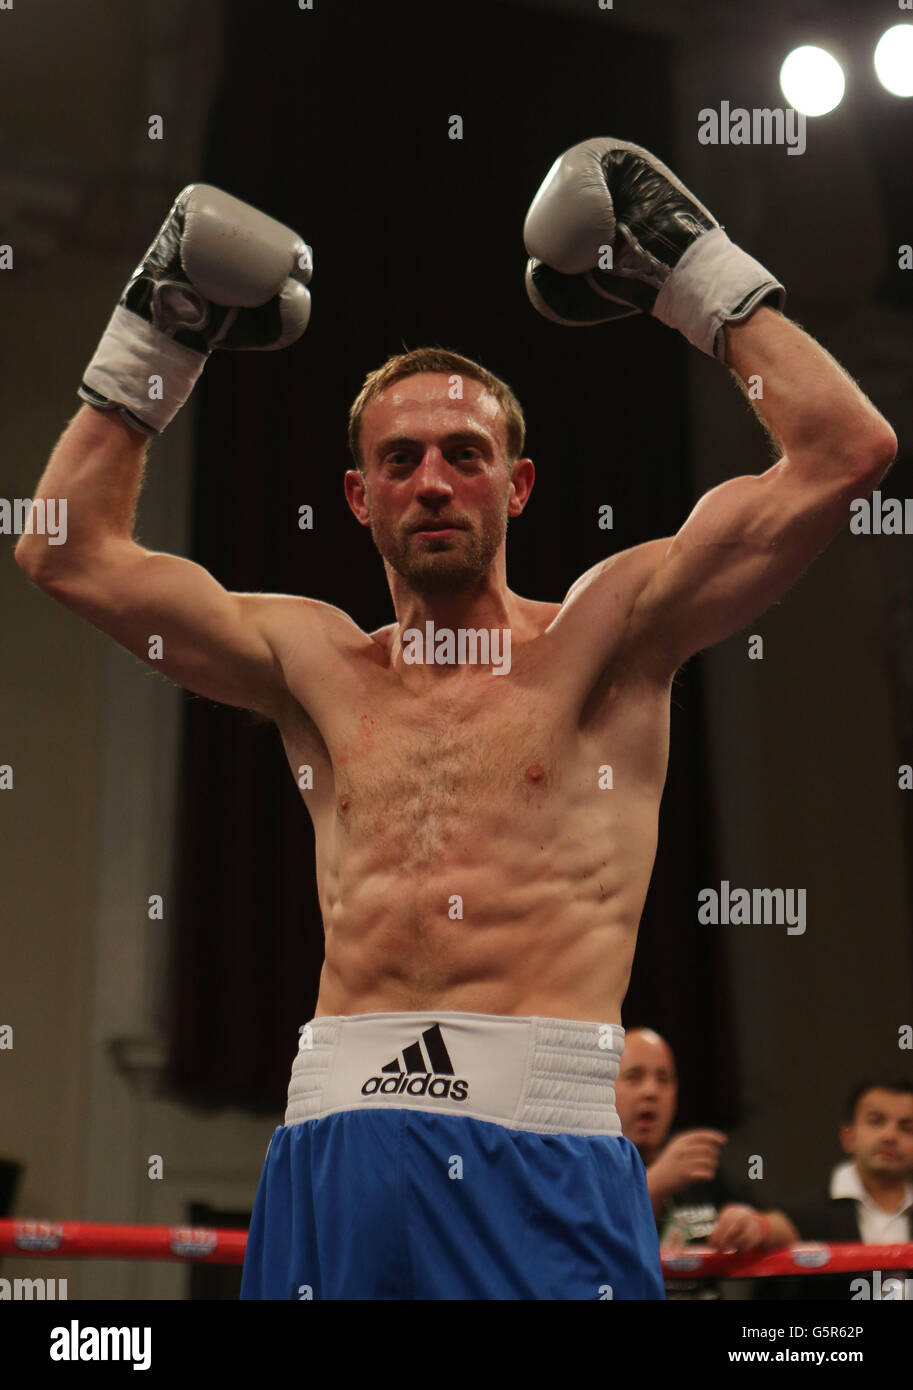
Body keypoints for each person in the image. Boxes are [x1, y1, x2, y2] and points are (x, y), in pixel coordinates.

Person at [15, 141, 897, 1300]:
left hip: (545, 1154)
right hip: (339, 1143)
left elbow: (846, 450)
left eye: (464, 454)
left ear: (516, 486)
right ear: (360, 497)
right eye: (400, 459)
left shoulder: (611, 636)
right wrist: (161, 324)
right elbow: (61, 549)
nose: (433, 479)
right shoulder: (310, 662)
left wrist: (690, 266)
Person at [615, 1027, 797, 1298]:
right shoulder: (586, 1163)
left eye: (663, 1079)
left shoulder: (693, 1161)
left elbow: (789, 1229)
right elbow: (583, 1243)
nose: (651, 1091)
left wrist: (756, 1225)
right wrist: (656, 1182)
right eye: (634, 1077)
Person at [769, 1079, 913, 1300]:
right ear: (849, 1137)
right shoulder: (803, 1214)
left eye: (907, 1128)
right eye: (876, 1121)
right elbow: (764, 1229)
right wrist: (747, 1224)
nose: (890, 1136)